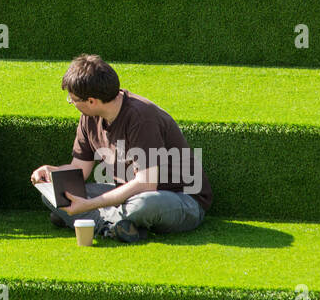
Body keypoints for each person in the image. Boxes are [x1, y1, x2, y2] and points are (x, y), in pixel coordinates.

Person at [30, 55, 211, 244]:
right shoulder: (88, 117)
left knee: (142, 206)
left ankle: (92, 221)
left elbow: (146, 185)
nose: (71, 103)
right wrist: (53, 172)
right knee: (53, 194)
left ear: (91, 101)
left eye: (73, 99)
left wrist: (89, 205)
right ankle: (116, 226)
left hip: (178, 198)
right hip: (124, 191)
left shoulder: (141, 117)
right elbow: (79, 169)